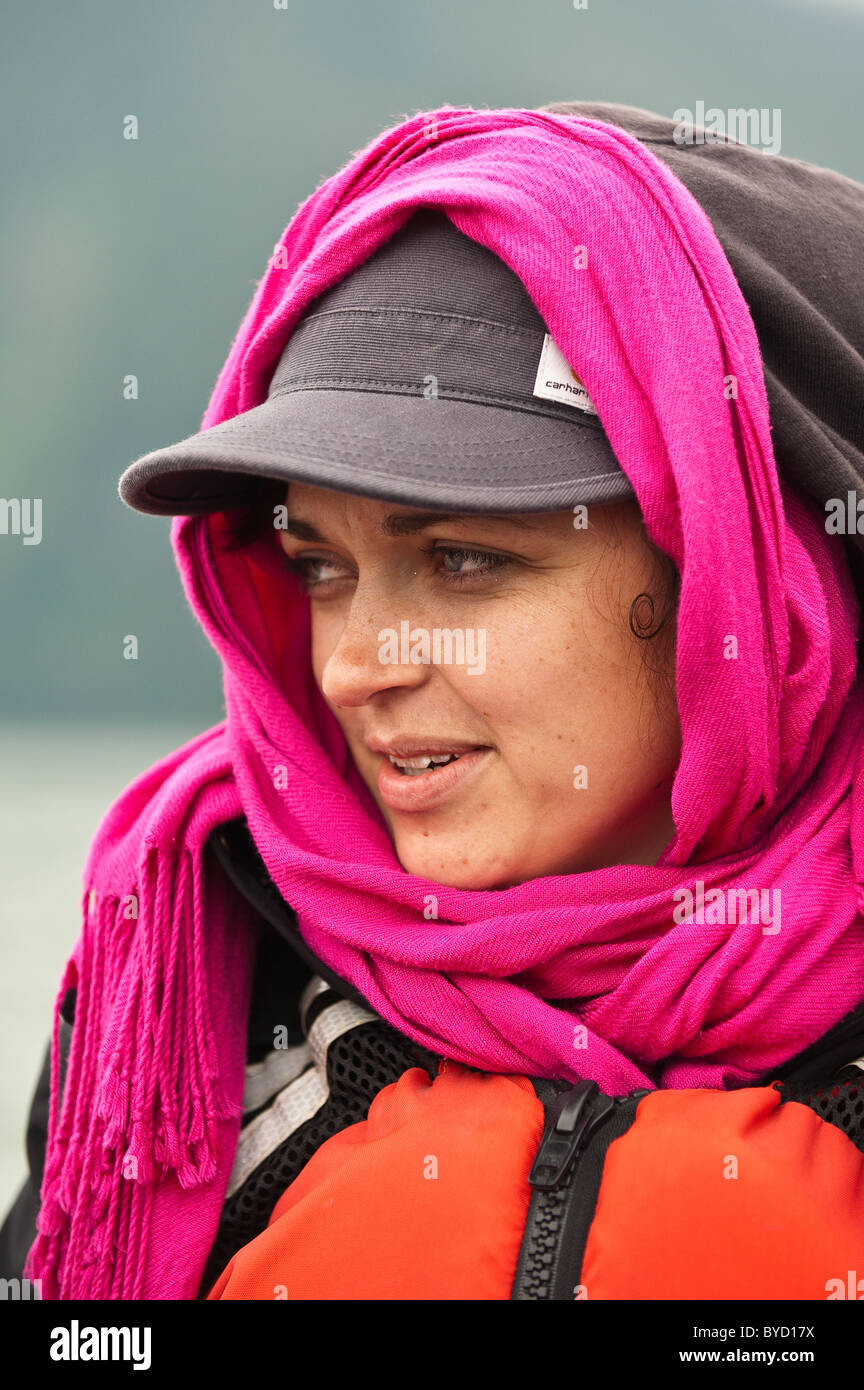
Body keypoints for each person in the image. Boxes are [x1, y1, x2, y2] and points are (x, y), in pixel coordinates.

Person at [2, 100, 864, 1302]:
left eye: (464, 560)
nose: (356, 665)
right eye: (320, 567)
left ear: (746, 584)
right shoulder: (189, 990)